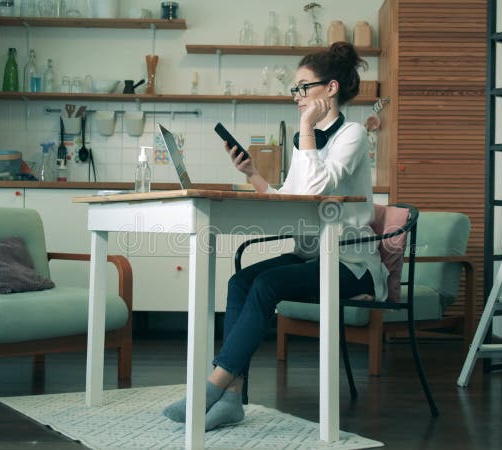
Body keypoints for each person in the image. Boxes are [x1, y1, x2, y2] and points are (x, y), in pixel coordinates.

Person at [162, 41, 388, 430]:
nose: (297, 97)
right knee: (240, 281)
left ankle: (212, 386)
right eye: (295, 90)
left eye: (303, 87)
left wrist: (305, 130)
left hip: (351, 263)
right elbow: (289, 201)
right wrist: (252, 175)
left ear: (330, 88)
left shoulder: (350, 134)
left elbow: (319, 189)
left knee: (266, 283)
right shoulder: (308, 143)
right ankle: (233, 397)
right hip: (312, 256)